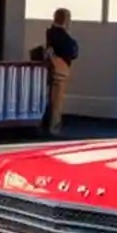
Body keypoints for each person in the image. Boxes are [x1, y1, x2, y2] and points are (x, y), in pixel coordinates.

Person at [44, 8, 79, 137]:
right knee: (56, 99)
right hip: (59, 69)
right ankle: (54, 126)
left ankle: (53, 124)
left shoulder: (53, 33)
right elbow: (71, 50)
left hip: (58, 67)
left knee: (55, 98)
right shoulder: (59, 33)